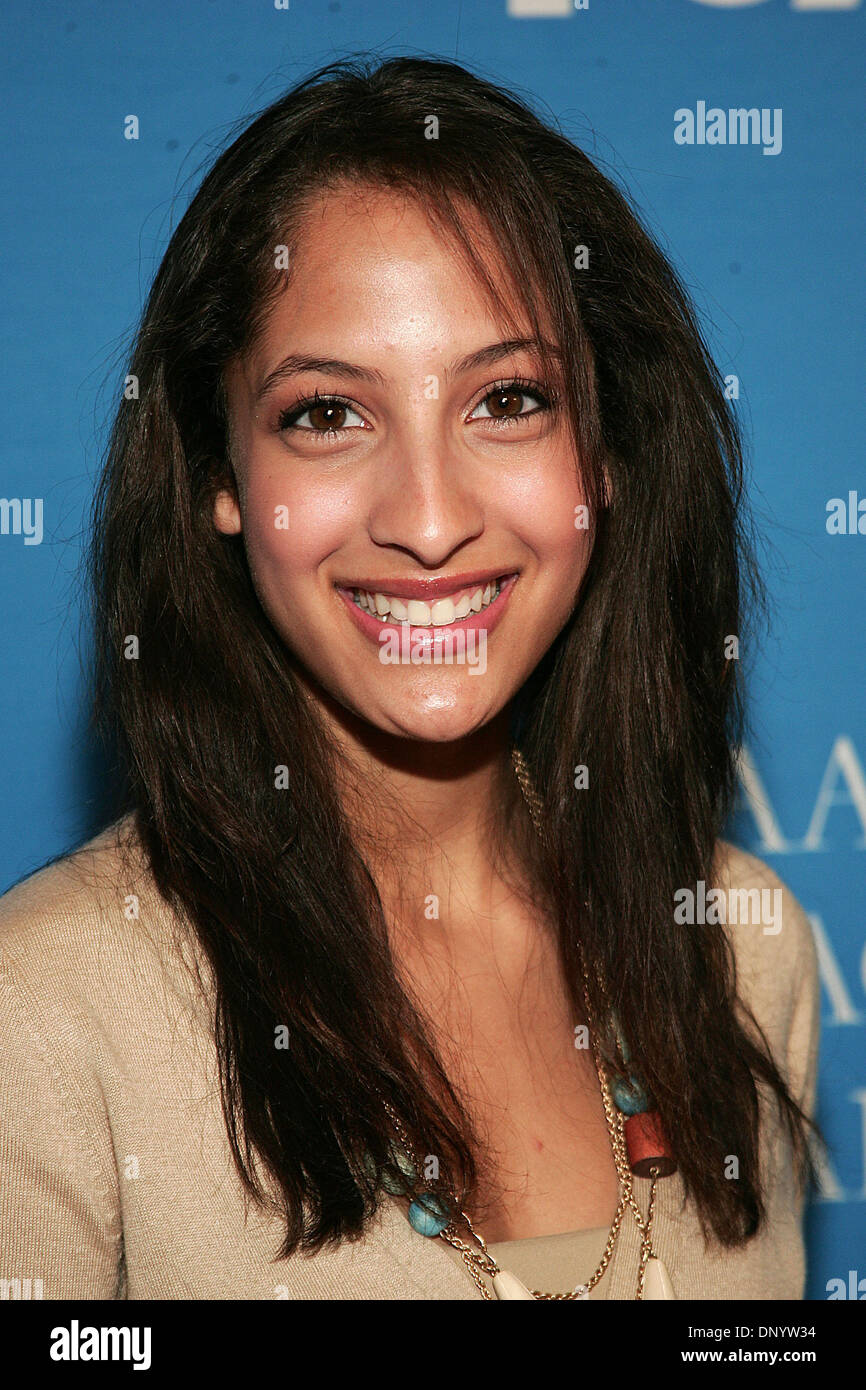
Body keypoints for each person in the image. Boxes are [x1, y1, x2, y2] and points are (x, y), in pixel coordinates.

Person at [0, 54, 820, 1301]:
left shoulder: (739, 953)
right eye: (327, 414)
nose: (429, 521)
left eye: (507, 398)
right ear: (219, 474)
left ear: (606, 458)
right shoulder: (46, 1011)